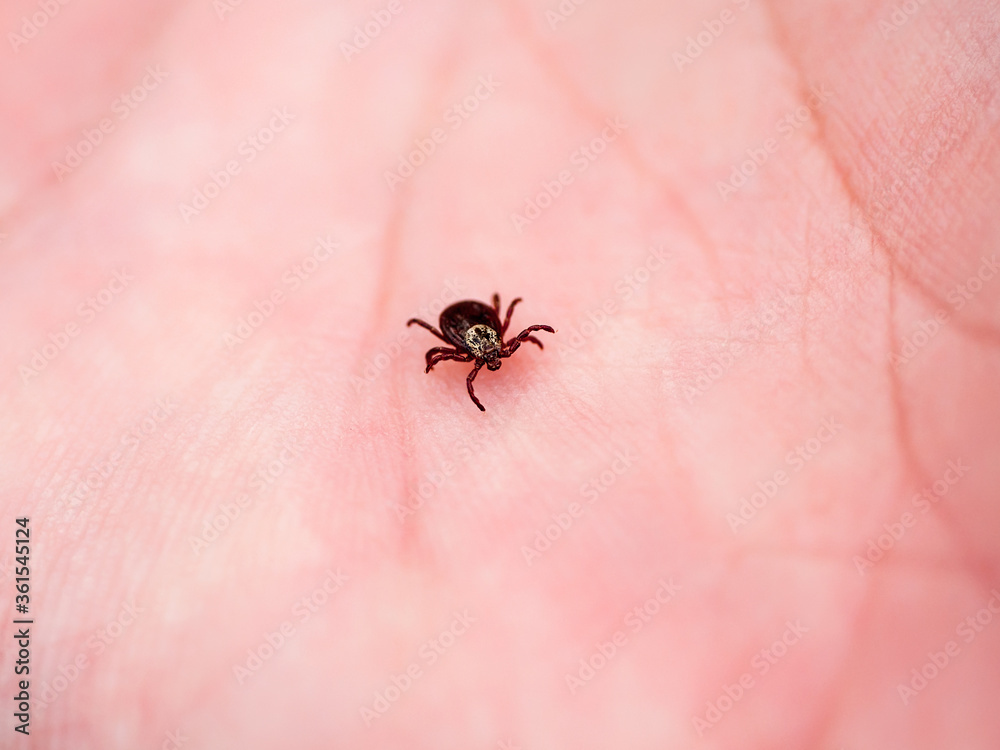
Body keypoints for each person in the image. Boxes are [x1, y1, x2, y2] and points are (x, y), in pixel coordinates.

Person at [4, 0, 998, 746]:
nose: (483, 356)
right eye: (475, 351)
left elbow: (497, 326)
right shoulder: (456, 349)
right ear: (464, 349)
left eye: (486, 348)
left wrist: (501, 342)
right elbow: (445, 336)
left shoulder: (489, 340)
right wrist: (464, 353)